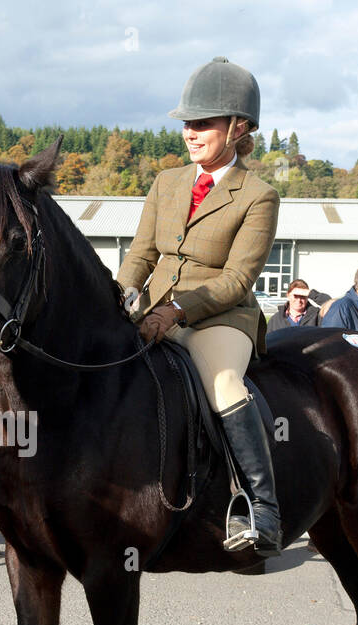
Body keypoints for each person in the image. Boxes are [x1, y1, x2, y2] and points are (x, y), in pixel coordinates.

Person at [116, 56, 282, 555]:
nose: (190, 133)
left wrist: (177, 311)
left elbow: (237, 279)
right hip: (152, 311)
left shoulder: (258, 195)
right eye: (187, 124)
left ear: (239, 127)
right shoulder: (166, 183)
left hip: (219, 317)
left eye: (202, 123)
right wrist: (121, 295)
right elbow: (141, 254)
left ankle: (262, 507)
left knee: (224, 383)